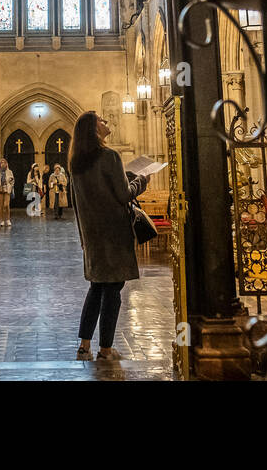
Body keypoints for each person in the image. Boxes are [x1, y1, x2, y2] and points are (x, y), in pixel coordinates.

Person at [70, 110, 147, 361]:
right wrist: (142, 181)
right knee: (113, 290)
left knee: (96, 288)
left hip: (92, 234)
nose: (106, 122)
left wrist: (83, 237)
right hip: (114, 233)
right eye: (101, 120)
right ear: (94, 130)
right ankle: (105, 349)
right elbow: (124, 195)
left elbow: (77, 203)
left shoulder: (77, 163)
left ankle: (84, 345)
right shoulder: (110, 156)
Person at [0, 158, 15, 226]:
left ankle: (8, 219)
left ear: (6, 164)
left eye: (4, 163)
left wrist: (10, 184)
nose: (3, 164)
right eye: (1, 163)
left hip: (7, 190)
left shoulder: (9, 172)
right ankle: (2, 220)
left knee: (6, 205)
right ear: (0, 164)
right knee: (0, 206)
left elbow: (12, 181)